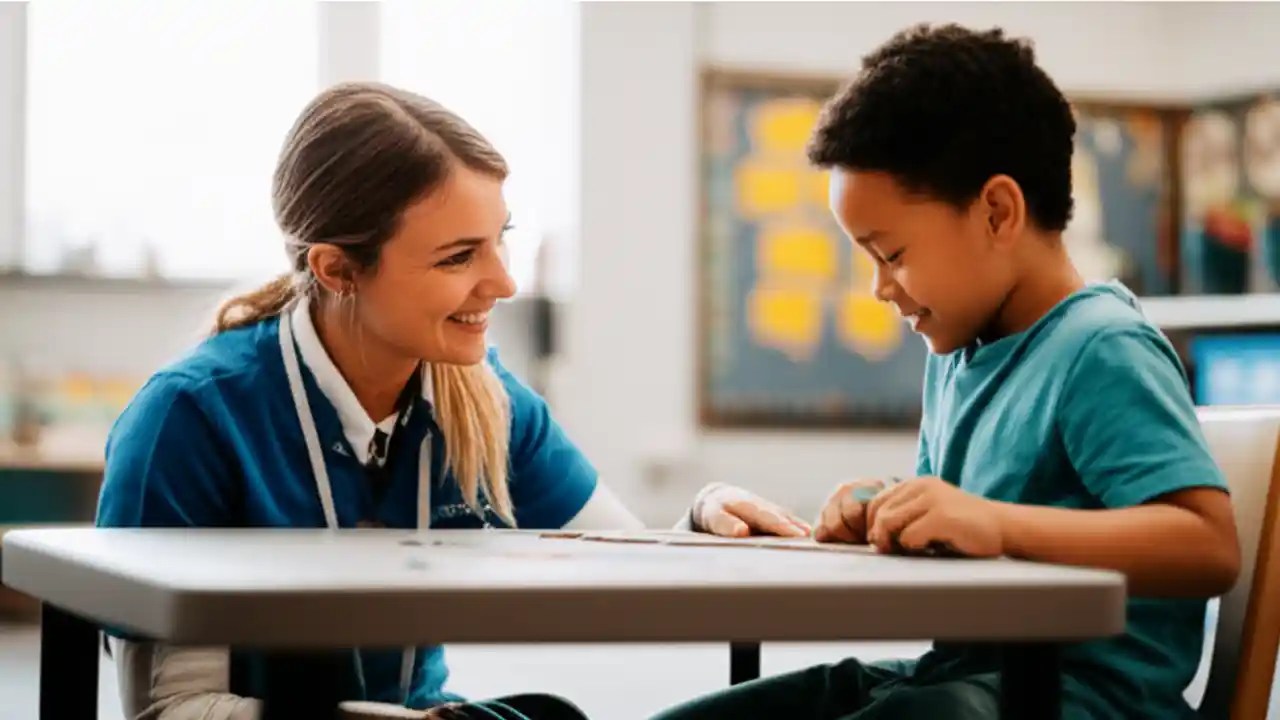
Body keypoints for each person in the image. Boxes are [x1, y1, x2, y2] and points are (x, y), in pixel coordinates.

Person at [95, 81, 809, 720]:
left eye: (501, 241)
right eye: (459, 256)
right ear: (338, 269)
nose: (503, 282)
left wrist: (700, 518)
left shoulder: (485, 401)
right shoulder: (189, 418)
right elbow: (175, 709)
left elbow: (621, 563)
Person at [652, 23, 1241, 720]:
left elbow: (1207, 545)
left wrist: (994, 524)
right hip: (965, 677)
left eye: (892, 254)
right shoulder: (960, 355)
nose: (879, 288)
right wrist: (890, 507)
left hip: (1083, 700)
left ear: (996, 212)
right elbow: (980, 512)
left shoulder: (1101, 346)